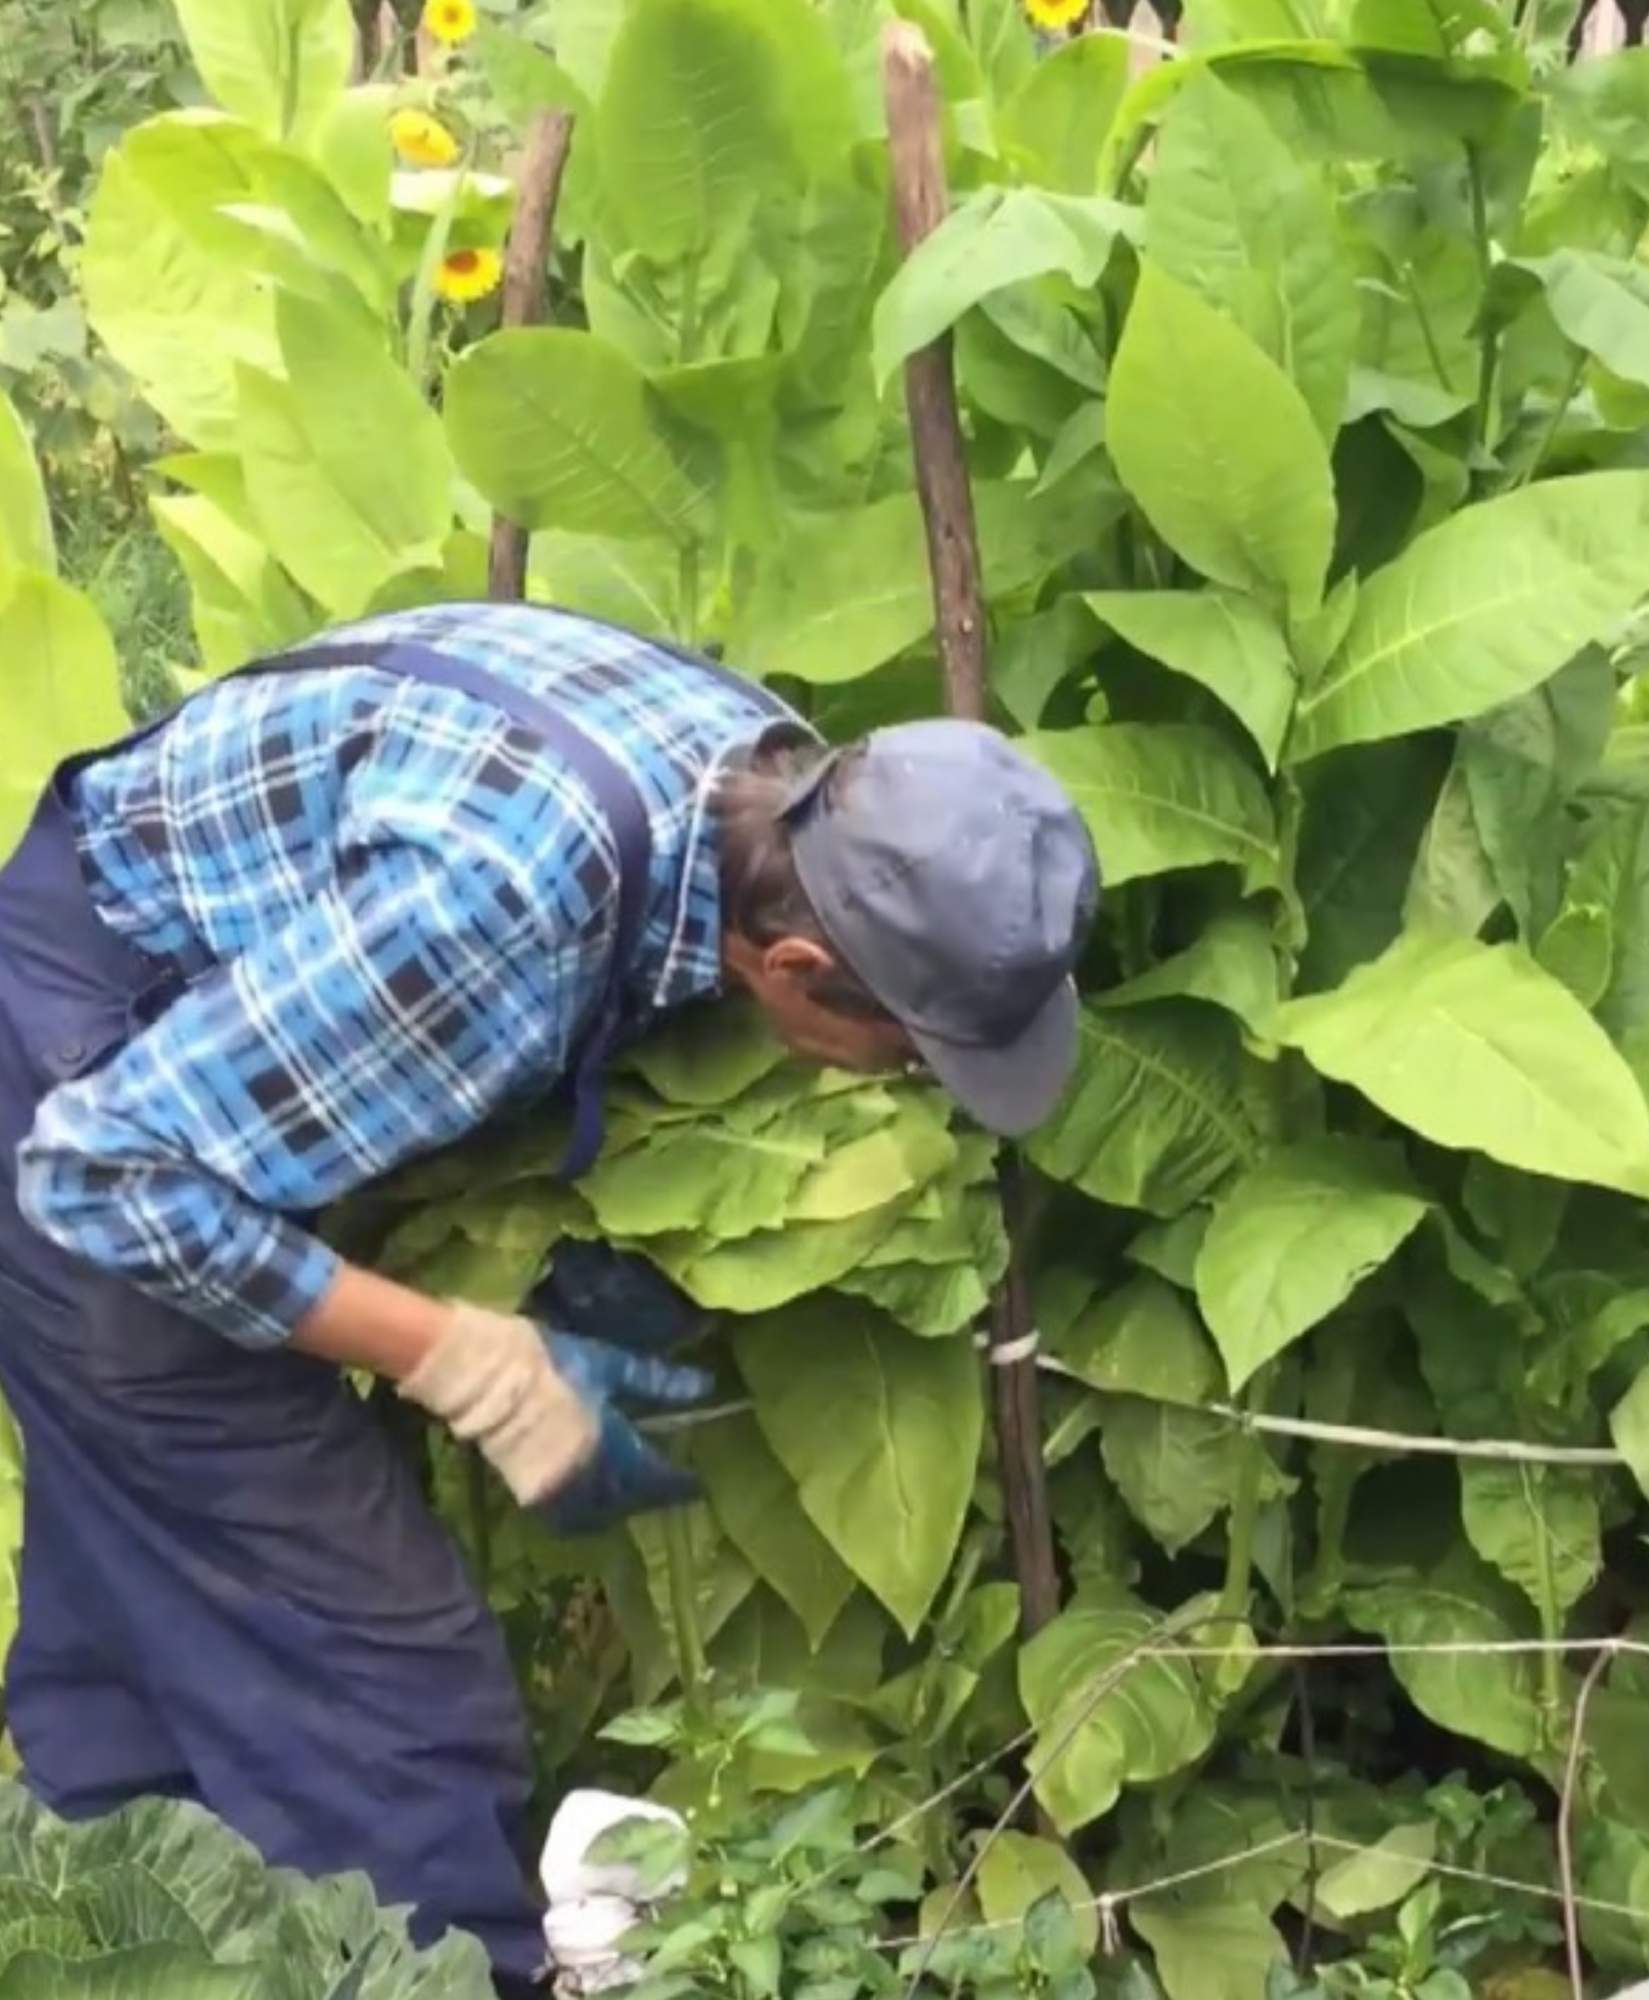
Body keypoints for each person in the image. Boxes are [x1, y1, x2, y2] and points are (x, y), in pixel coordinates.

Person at [0, 600, 1099, 1993]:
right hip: (85, 1087)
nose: (910, 1083)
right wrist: (462, 1356)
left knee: (146, 1615)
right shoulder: (509, 911)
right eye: (912, 1054)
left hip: (175, 1011)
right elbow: (101, 1175)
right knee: (383, 1698)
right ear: (798, 967)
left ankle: (85, 1948)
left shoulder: (785, 785)